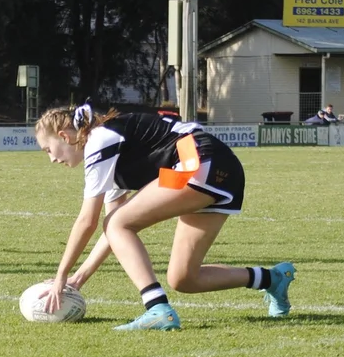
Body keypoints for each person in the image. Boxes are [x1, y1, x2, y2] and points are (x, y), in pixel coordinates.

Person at [34, 102, 295, 331]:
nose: (51, 159)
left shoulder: (99, 140)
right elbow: (112, 233)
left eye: (47, 149)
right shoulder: (108, 150)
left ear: (64, 136)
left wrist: (61, 276)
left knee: (118, 224)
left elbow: (88, 221)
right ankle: (272, 279)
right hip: (221, 169)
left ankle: (157, 309)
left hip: (199, 162)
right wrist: (78, 279)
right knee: (183, 278)